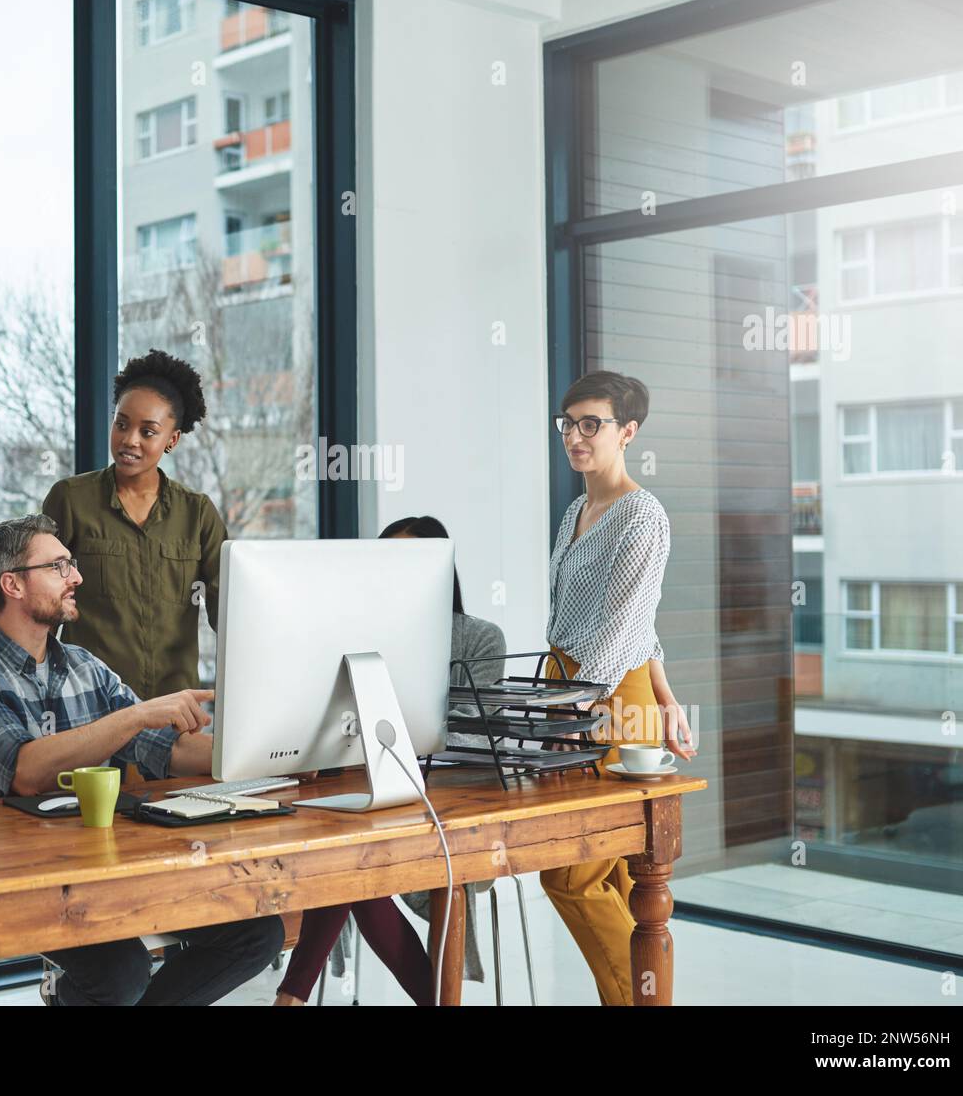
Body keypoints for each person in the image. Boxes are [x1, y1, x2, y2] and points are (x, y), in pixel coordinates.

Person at [0, 515, 283, 1005]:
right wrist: (135, 716)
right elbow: (25, 772)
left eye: (71, 565)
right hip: (8, 877)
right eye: (58, 567)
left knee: (256, 932)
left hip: (98, 866)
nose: (77, 578)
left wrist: (272, 752)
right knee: (120, 970)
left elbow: (169, 749)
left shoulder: (83, 667)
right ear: (12, 584)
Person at [274, 515, 505, 1006]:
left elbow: (466, 727)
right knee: (352, 855)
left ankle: (291, 997)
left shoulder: (480, 638)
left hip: (445, 805)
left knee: (353, 860)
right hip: (367, 791)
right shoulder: (352, 636)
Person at [539, 370, 695, 1007]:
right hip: (566, 687)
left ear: (627, 432)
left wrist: (578, 709)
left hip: (604, 702)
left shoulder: (643, 516)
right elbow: (643, 619)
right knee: (583, 865)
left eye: (591, 424)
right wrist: (668, 689)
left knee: (572, 868)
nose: (576, 436)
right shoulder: (577, 510)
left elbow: (622, 624)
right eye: (568, 424)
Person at [42, 349, 225, 701]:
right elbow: (45, 604)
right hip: (88, 704)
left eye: (148, 431)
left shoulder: (198, 514)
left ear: (172, 440)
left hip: (173, 710)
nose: (129, 440)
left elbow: (229, 614)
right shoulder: (70, 500)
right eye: (121, 424)